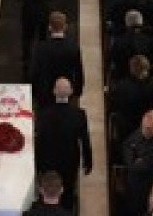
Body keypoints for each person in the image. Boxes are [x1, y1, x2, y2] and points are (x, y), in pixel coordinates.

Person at [35, 77, 93, 210]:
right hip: (69, 161)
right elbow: (85, 139)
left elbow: (40, 141)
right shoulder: (79, 114)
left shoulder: (43, 114)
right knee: (68, 190)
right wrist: (88, 161)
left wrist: (37, 164)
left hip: (48, 161)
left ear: (54, 91)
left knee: (49, 189)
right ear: (71, 92)